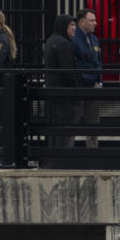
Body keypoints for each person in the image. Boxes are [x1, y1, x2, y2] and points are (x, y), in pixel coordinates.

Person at [44, 14, 79, 148]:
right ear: (64, 27)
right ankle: (62, 155)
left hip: (52, 92)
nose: (74, 28)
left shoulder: (50, 40)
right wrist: (76, 88)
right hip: (64, 95)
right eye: (71, 25)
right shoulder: (64, 43)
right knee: (65, 129)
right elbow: (68, 71)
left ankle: (53, 155)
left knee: (54, 128)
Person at [72, 9, 103, 148]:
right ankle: (68, 152)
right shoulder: (74, 39)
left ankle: (93, 152)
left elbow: (98, 62)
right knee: (73, 121)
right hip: (80, 86)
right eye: (92, 20)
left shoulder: (94, 38)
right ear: (82, 22)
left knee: (94, 124)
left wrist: (99, 81)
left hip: (94, 86)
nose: (95, 23)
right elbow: (78, 63)